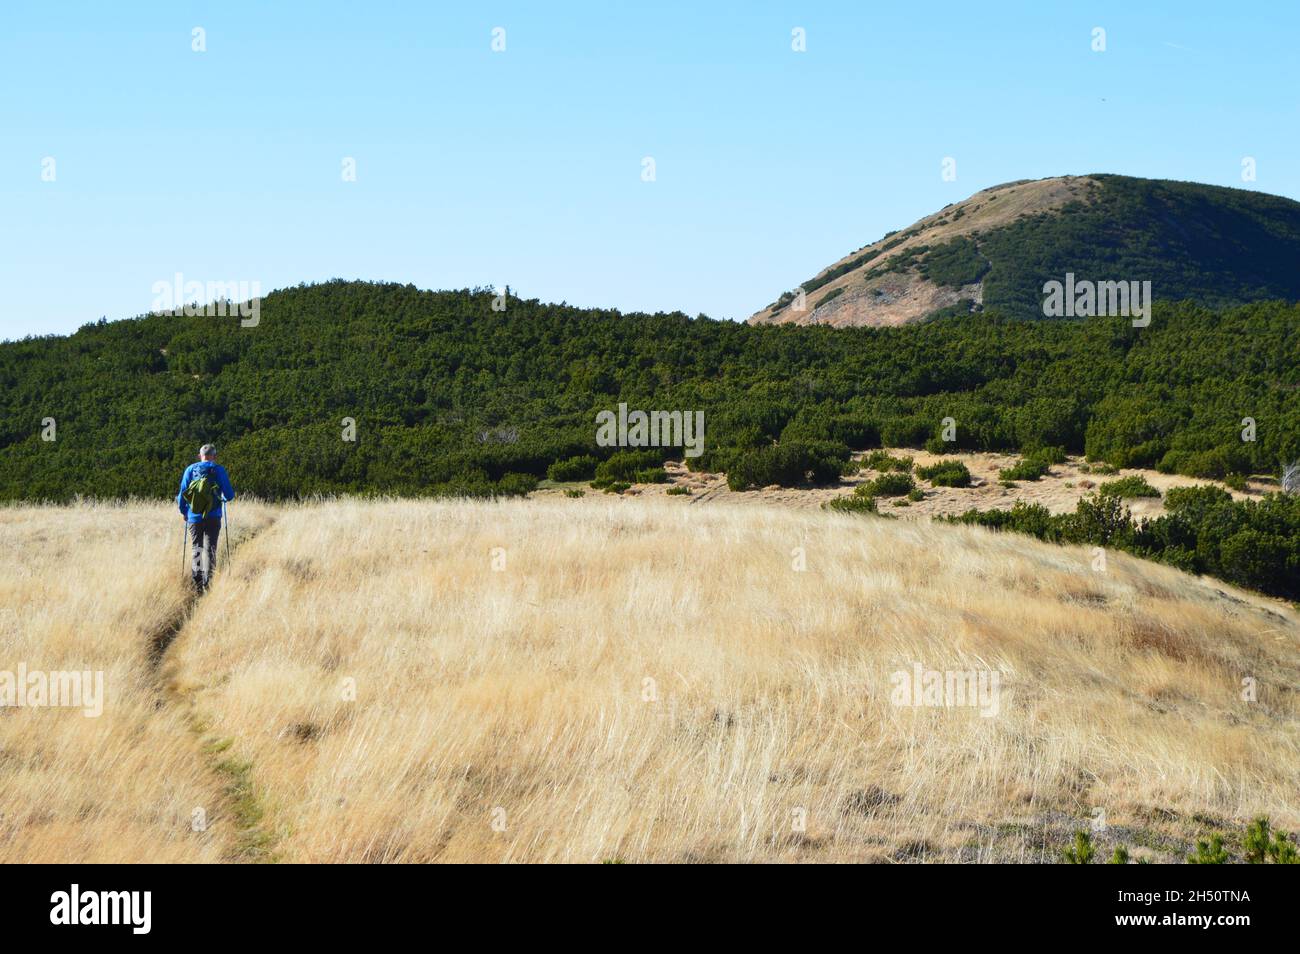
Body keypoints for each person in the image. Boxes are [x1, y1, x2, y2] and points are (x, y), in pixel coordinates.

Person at [178, 444, 236, 591]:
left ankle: (197, 582)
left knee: (196, 547)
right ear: (215, 456)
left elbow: (182, 493)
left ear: (200, 456)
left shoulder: (190, 470)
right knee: (211, 549)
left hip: (194, 516)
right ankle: (208, 583)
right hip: (213, 516)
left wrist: (184, 512)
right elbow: (229, 495)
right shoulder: (219, 470)